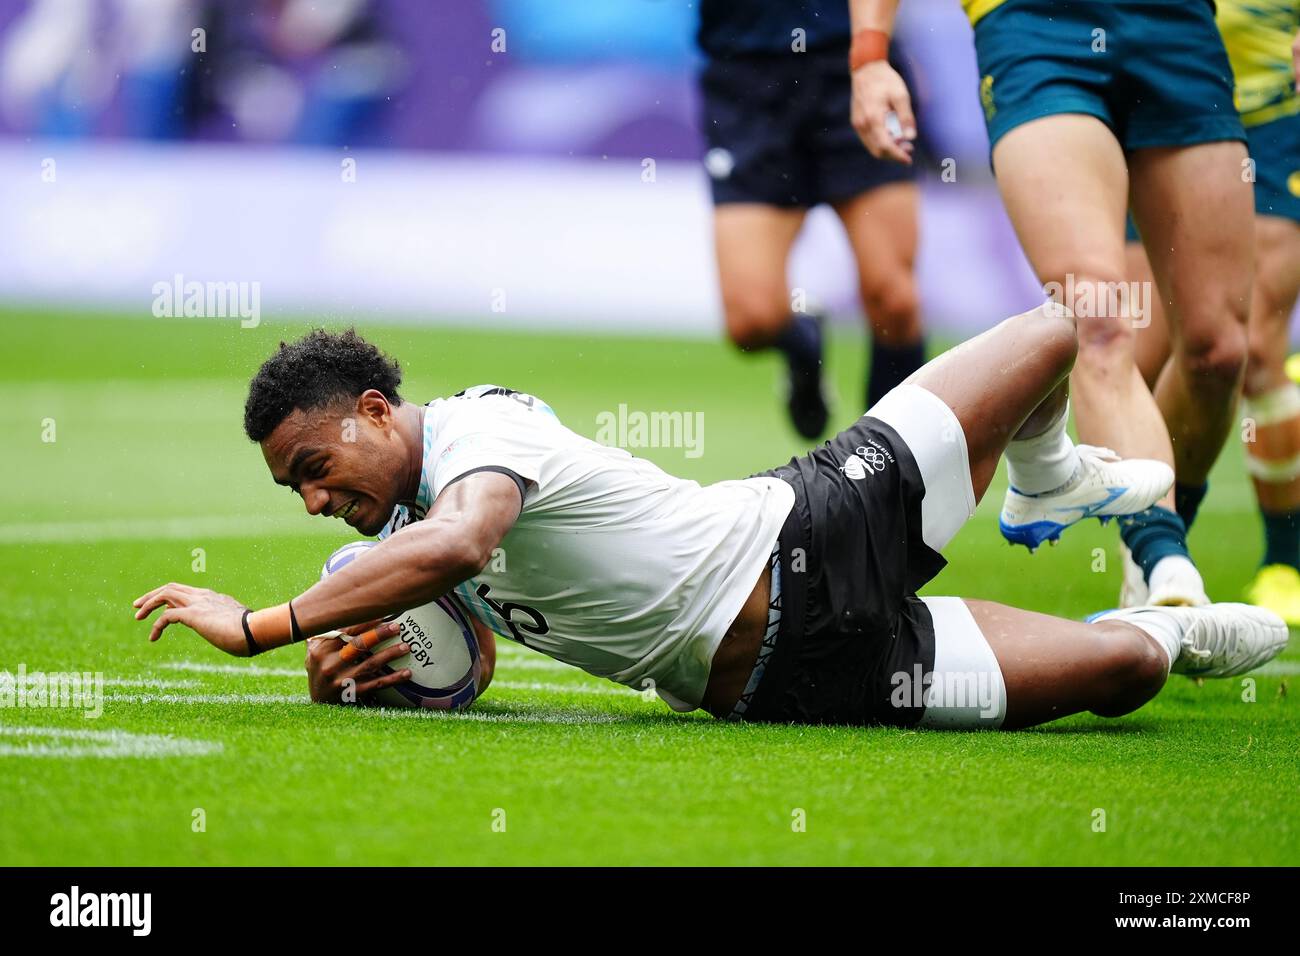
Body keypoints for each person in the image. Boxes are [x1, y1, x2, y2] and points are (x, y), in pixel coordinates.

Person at [132, 313, 1287, 730]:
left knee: (1055, 328)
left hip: (814, 525)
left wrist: (266, 624)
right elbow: (466, 655)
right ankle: (1172, 631)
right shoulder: (392, 543)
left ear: (378, 411)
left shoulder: (480, 431)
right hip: (794, 682)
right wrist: (364, 672)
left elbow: (465, 544)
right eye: (295, 490)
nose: (315, 498)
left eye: (316, 466)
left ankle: (1043, 476)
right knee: (1124, 669)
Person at [849, 0, 1256, 606]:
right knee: (1094, 318)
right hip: (1034, 28)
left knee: (1217, 350)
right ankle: (1164, 557)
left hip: (1179, 27)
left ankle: (1155, 544)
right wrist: (869, 55)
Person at [1125, 1, 1300, 620]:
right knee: (1135, 355)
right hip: (1162, 104)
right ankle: (1151, 546)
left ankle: (1284, 560)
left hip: (1274, 115)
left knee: (1248, 346)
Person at [697, 0, 926, 439]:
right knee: (752, 320)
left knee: (894, 300)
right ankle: (804, 349)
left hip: (852, 64)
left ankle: (889, 467)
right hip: (745, 75)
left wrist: (872, 56)